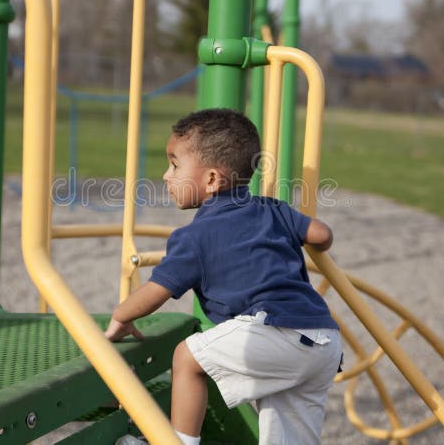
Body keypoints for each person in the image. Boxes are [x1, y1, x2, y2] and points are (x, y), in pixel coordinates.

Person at [105, 108, 341, 445]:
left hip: (277, 331)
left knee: (186, 357)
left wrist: (121, 315)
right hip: (324, 339)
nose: (165, 175)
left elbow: (155, 292)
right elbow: (320, 234)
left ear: (212, 179)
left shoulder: (195, 238)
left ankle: (177, 442)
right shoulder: (272, 208)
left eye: (174, 165)